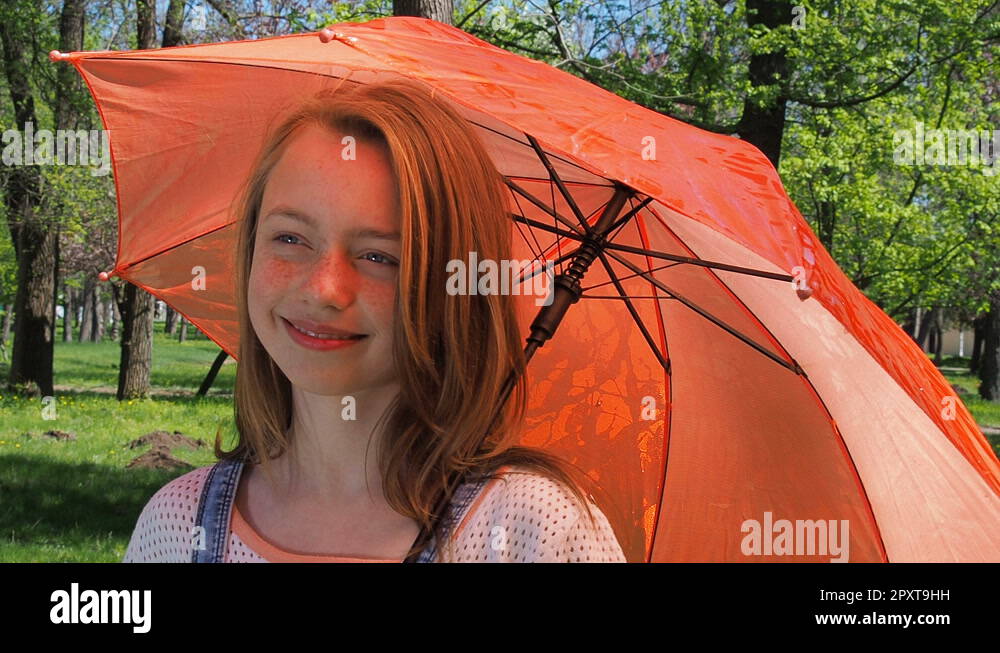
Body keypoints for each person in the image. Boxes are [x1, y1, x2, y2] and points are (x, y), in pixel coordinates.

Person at [122, 78, 626, 563]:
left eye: (379, 257)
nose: (323, 289)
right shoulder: (176, 525)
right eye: (291, 239)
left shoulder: (535, 531)